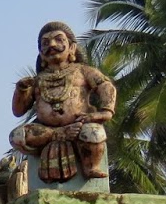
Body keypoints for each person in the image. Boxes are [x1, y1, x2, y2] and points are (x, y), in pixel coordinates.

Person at [10, 21, 117, 184]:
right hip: (45, 131)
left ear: (72, 48)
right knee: (17, 136)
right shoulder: (38, 80)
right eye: (45, 43)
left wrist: (105, 111)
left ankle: (90, 167)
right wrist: (22, 90)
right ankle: (58, 134)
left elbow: (105, 86)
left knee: (94, 133)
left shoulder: (82, 71)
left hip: (80, 125)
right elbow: (18, 111)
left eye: (59, 40)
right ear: (41, 53)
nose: (51, 45)